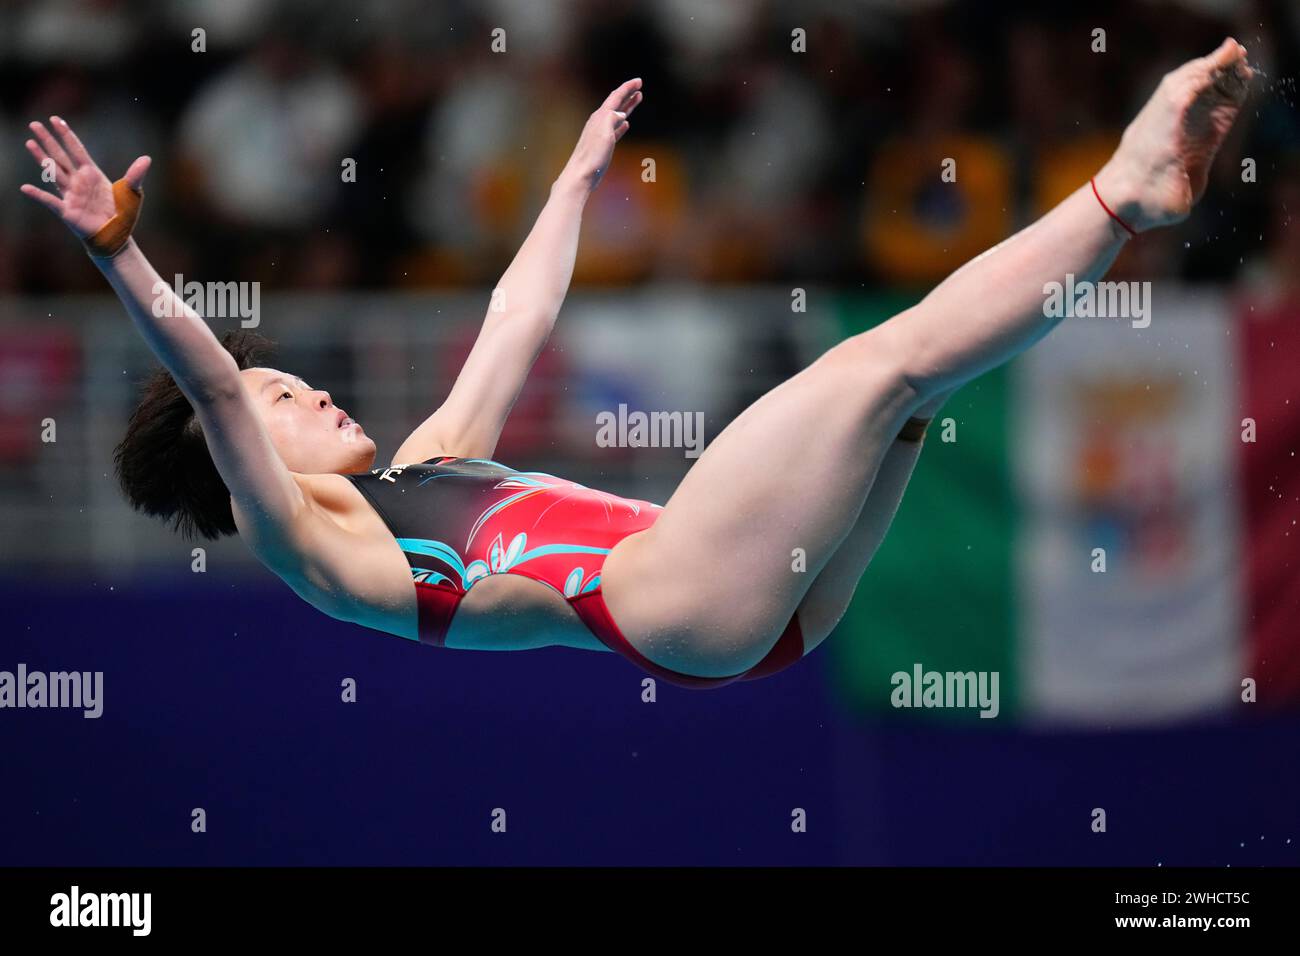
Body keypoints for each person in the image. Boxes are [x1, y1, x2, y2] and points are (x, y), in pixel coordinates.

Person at [20, 41, 1253, 689]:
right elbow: (219, 385)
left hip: (738, 621)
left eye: (299, 381)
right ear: (238, 469)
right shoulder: (309, 549)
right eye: (291, 399)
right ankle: (1123, 194)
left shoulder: (426, 465)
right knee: (880, 360)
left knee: (912, 390)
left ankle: (1123, 206)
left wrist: (571, 178)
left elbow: (516, 315)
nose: (313, 390)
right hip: (672, 591)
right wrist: (124, 257)